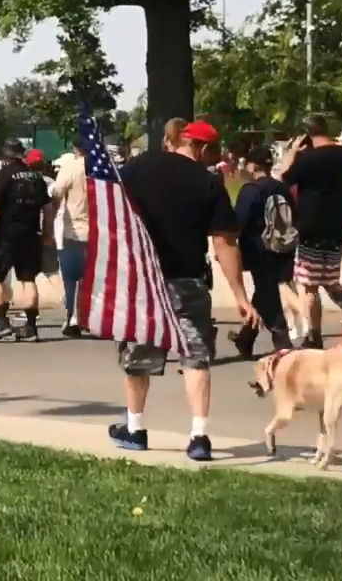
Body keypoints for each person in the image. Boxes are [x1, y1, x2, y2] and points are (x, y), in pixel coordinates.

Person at [110, 119, 258, 461]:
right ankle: (199, 436)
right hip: (189, 281)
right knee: (196, 357)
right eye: (213, 151)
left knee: (137, 358)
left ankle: (135, 429)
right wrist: (240, 296)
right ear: (200, 148)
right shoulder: (208, 182)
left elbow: (112, 214)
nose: (214, 157)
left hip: (143, 281)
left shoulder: (138, 168)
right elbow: (224, 242)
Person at [280, 115, 342, 348]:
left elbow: (285, 178)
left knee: (309, 285)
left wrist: (293, 151)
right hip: (337, 229)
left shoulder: (307, 158)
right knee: (330, 280)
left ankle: (314, 336)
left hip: (310, 229)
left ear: (306, 135)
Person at [229, 146, 298, 357]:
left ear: (252, 166)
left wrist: (231, 248)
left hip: (258, 249)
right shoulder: (283, 188)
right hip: (283, 248)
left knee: (267, 292)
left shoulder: (251, 190)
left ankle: (282, 341)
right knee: (265, 290)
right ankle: (245, 338)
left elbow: (238, 221)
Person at [0, 139, 52, 341]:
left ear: (5, 155)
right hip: (30, 234)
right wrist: (47, 234)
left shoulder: (2, 176)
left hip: (5, 235)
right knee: (28, 279)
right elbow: (48, 209)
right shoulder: (36, 177)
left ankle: (1, 322)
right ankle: (30, 326)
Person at [51, 136, 90, 337]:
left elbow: (57, 192)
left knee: (71, 277)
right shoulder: (103, 168)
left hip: (74, 229)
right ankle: (89, 317)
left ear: (76, 148)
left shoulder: (71, 168)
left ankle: (73, 318)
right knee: (91, 278)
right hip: (98, 230)